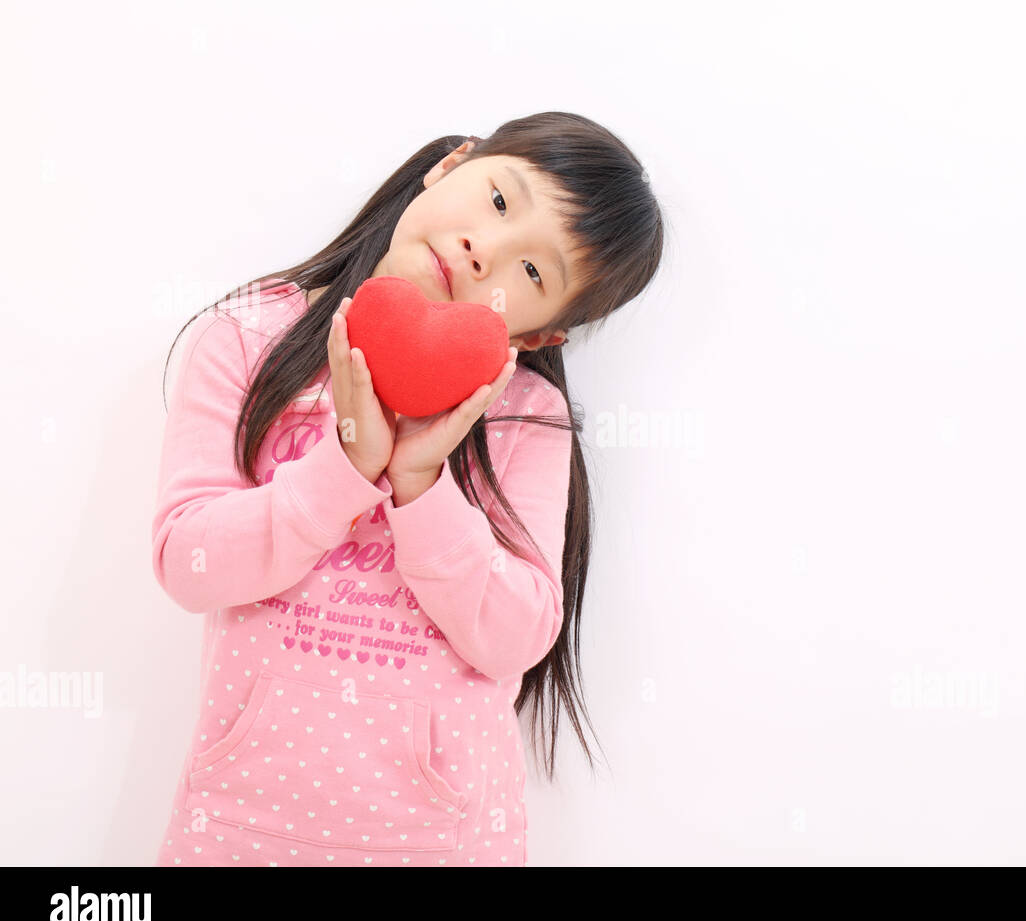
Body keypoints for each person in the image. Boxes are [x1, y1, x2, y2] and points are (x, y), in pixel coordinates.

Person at [151, 111, 665, 866]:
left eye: (531, 273)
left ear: (541, 334)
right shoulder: (251, 339)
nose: (483, 251)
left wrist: (421, 483)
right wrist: (350, 466)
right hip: (238, 825)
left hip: (444, 842)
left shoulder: (526, 415)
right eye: (498, 200)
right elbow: (186, 562)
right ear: (453, 164)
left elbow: (516, 639)